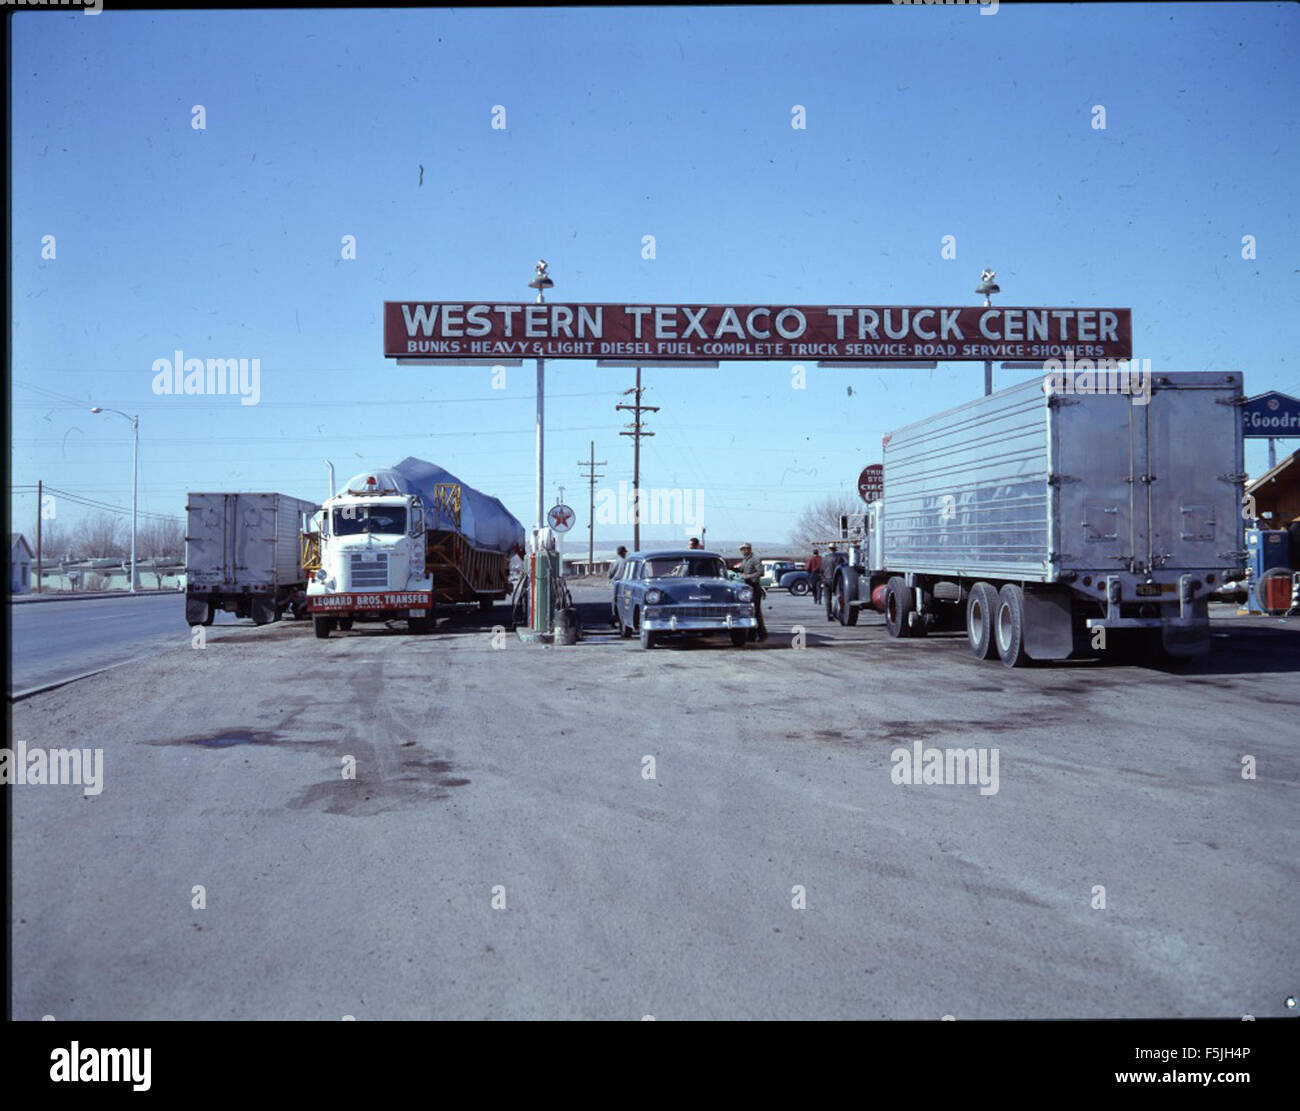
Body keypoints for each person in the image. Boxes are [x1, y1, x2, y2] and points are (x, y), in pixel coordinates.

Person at [737, 542, 767, 642]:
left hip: (754, 587)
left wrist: (747, 576)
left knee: (755, 611)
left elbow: (761, 572)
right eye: (741, 549)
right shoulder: (745, 560)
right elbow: (741, 569)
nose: (742, 551)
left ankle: (762, 634)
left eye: (743, 549)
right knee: (749, 611)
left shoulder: (755, 559)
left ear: (748, 549)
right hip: (747, 589)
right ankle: (751, 635)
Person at [608, 545, 628, 626]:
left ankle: (614, 617)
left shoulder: (616, 562)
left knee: (615, 601)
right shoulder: (626, 562)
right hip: (624, 583)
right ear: (623, 553)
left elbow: (610, 574)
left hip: (616, 583)